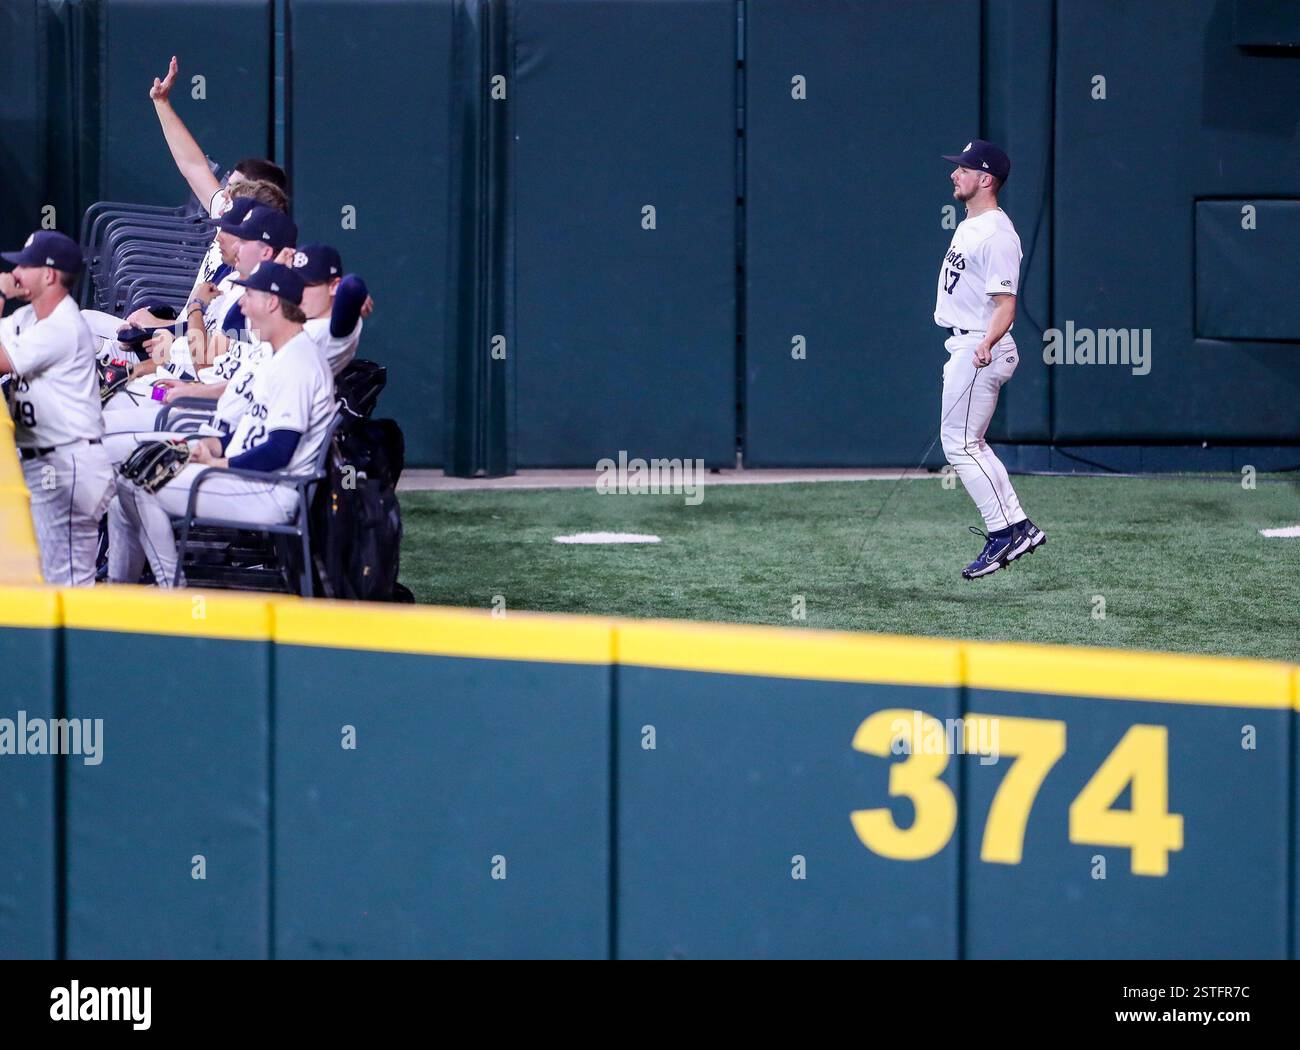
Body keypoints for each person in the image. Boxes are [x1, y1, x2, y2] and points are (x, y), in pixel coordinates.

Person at [108, 263, 336, 587]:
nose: (241, 304)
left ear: (272, 303)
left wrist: (220, 462)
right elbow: (250, 432)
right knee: (122, 502)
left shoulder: (299, 362)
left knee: (134, 486)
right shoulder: (278, 354)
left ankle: (172, 591)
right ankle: (116, 597)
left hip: (267, 490)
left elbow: (280, 449)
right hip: (244, 475)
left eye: (250, 296)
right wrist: (208, 447)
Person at [934, 139, 1047, 580]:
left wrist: (986, 343)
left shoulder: (998, 234)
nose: (954, 174)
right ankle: (1017, 526)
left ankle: (1004, 533)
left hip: (981, 346)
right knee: (971, 444)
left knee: (959, 445)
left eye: (963, 169)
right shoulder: (971, 224)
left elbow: (1006, 304)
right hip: (970, 343)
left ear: (986, 179)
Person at [0, 231, 114, 585]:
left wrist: (2, 294)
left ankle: (90, 642)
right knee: (50, 579)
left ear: (48, 275)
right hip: (50, 460)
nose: (16, 270)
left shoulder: (63, 324)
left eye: (25, 264)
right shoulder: (31, 319)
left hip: (68, 465)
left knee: (68, 585)